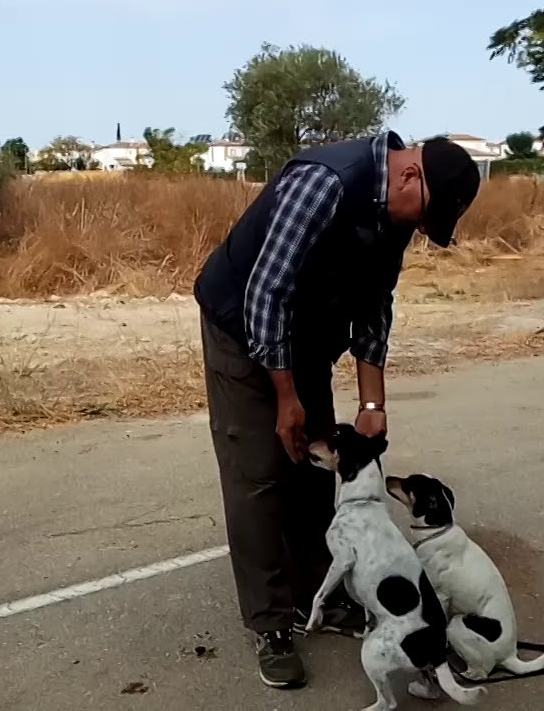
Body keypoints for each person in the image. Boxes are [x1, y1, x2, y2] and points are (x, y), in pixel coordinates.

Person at [192, 130, 481, 689]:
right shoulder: (324, 184)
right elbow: (267, 293)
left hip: (305, 336)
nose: (420, 230)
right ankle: (271, 624)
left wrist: (373, 402)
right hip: (240, 325)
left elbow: (375, 307)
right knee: (259, 474)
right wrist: (284, 397)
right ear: (408, 176)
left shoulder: (393, 216)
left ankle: (313, 596)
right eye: (425, 216)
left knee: (316, 459)